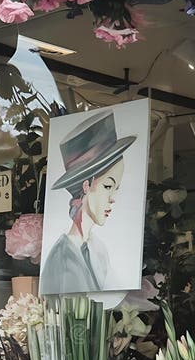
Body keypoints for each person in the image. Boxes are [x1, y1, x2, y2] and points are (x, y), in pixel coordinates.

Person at [39, 109, 137, 294]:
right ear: (86, 186)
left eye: (116, 189)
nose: (113, 199)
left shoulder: (98, 250)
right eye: (108, 186)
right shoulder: (61, 259)